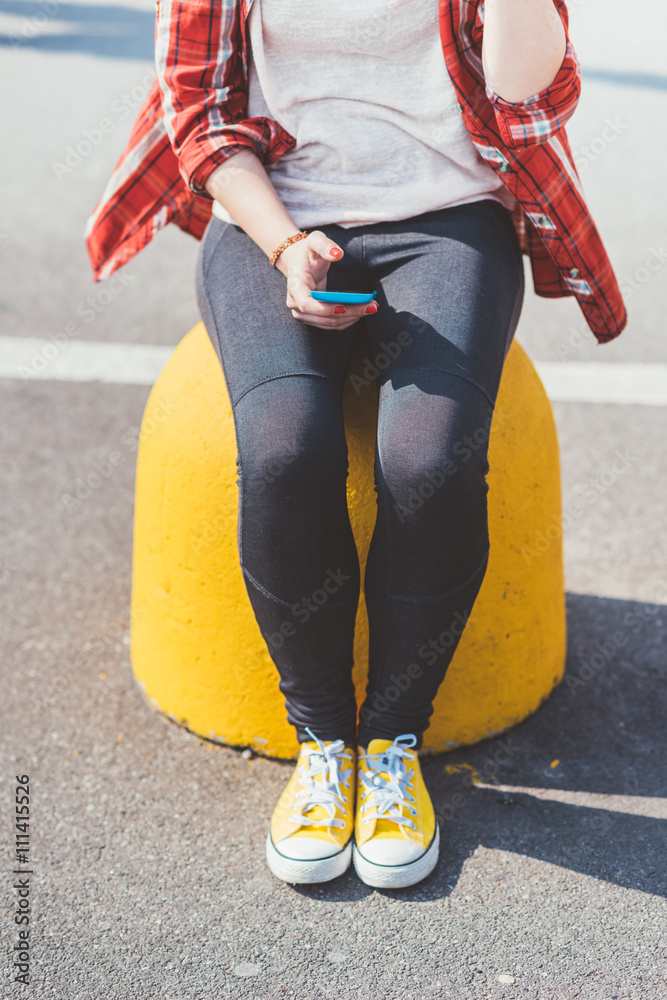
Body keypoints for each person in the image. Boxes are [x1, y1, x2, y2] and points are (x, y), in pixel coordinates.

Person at [85, 0, 626, 889]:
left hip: (448, 219)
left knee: (428, 458)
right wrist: (287, 245)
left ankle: (392, 746)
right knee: (284, 449)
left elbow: (528, 99)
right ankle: (324, 744)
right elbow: (200, 116)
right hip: (270, 216)